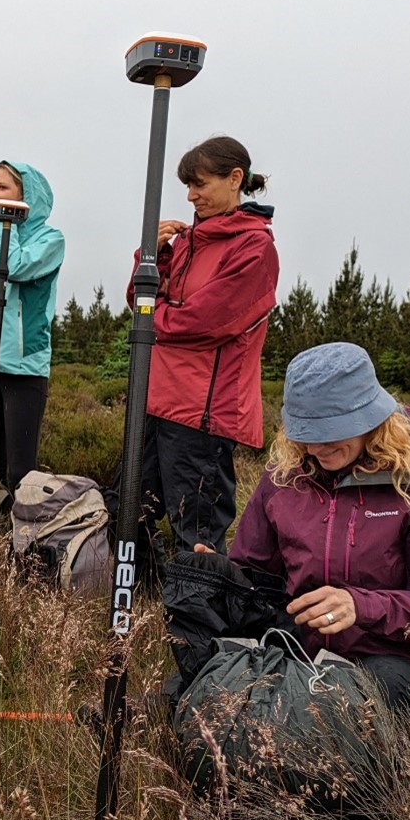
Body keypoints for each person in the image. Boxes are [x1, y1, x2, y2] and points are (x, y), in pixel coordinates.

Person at [213, 342, 410, 712]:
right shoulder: (283, 480)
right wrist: (218, 576)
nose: (315, 449)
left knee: (339, 713)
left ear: (371, 420)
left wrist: (360, 606)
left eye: (330, 433)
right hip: (294, 654)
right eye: (305, 435)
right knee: (204, 687)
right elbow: (253, 575)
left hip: (389, 667)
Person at [127, 135, 278, 566]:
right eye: (187, 187)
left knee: (196, 531)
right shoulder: (189, 242)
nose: (191, 196)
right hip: (157, 400)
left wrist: (151, 316)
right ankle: (147, 605)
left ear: (235, 179)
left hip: (203, 415)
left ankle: (197, 629)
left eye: (200, 185)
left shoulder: (255, 249)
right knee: (126, 510)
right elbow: (139, 295)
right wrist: (150, 254)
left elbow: (201, 323)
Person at [0, 161, 65, 494]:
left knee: (20, 469)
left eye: (3, 187)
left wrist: (11, 224)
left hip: (22, 368)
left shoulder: (50, 239)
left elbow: (16, 268)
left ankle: (22, 540)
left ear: (27, 196)